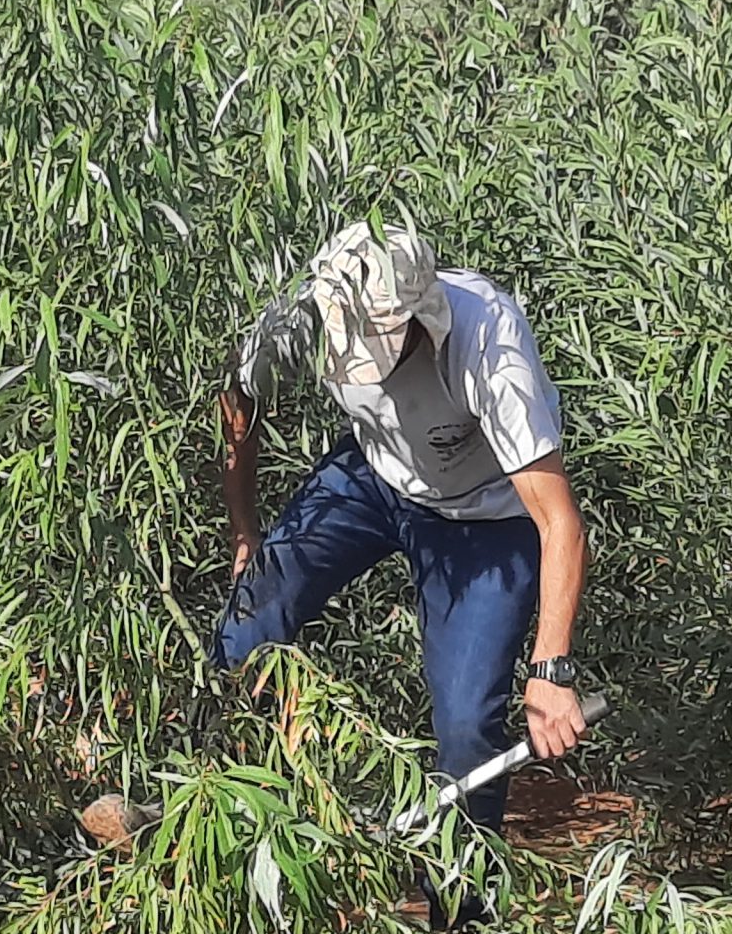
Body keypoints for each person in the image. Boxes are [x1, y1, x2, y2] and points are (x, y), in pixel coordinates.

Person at [213, 222, 589, 861]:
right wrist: (244, 527)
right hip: (372, 476)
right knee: (247, 625)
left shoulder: (487, 342)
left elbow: (560, 523)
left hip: (485, 520)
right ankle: (221, 813)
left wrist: (550, 669)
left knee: (467, 725)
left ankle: (460, 900)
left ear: (420, 319)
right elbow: (238, 394)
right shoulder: (308, 313)